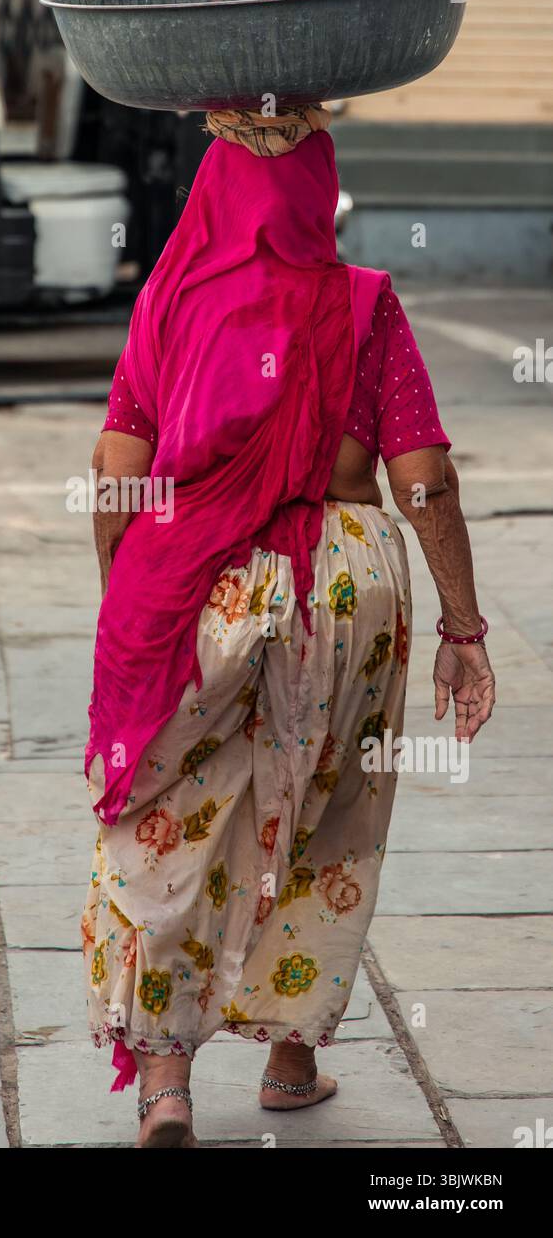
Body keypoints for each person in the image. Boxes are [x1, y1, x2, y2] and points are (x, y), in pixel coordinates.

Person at [82, 106, 495, 1148]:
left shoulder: (168, 302)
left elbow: (115, 474)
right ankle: (288, 1055)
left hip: (200, 583)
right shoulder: (365, 302)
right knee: (326, 805)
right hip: (347, 587)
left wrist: (125, 596)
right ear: (319, 195)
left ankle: (165, 1084)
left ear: (211, 193)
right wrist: (461, 624)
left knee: (170, 812)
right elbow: (424, 480)